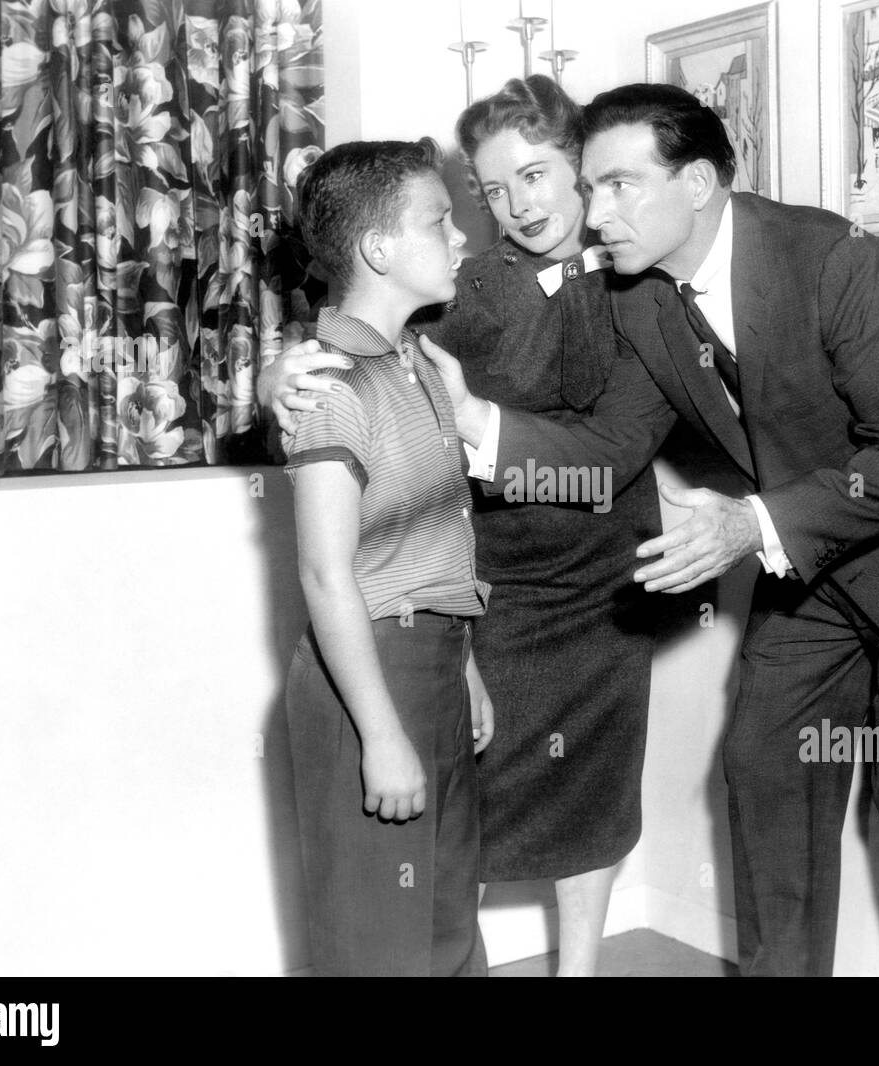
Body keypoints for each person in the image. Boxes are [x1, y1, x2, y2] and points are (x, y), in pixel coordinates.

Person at [424, 83, 879, 977]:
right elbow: (610, 444)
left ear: (699, 182)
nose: (594, 214)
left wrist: (753, 525)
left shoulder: (831, 261)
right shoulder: (641, 297)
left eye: (618, 186)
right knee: (765, 773)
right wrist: (475, 419)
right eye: (589, 187)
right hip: (811, 566)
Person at [263, 78, 661, 977]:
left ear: (585, 171)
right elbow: (351, 352)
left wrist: (477, 422)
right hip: (465, 604)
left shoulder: (649, 289)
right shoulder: (459, 290)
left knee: (506, 859)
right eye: (484, 195)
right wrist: (279, 381)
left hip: (580, 594)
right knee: (409, 891)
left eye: (535, 176)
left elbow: (613, 447)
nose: (509, 209)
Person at [282, 137, 491, 976]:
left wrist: (463, 664)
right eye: (439, 222)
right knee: (379, 946)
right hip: (366, 676)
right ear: (379, 249)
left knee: (446, 925)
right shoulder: (328, 384)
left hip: (433, 664)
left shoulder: (421, 365)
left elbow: (431, 543)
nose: (460, 238)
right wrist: (380, 733)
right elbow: (326, 574)